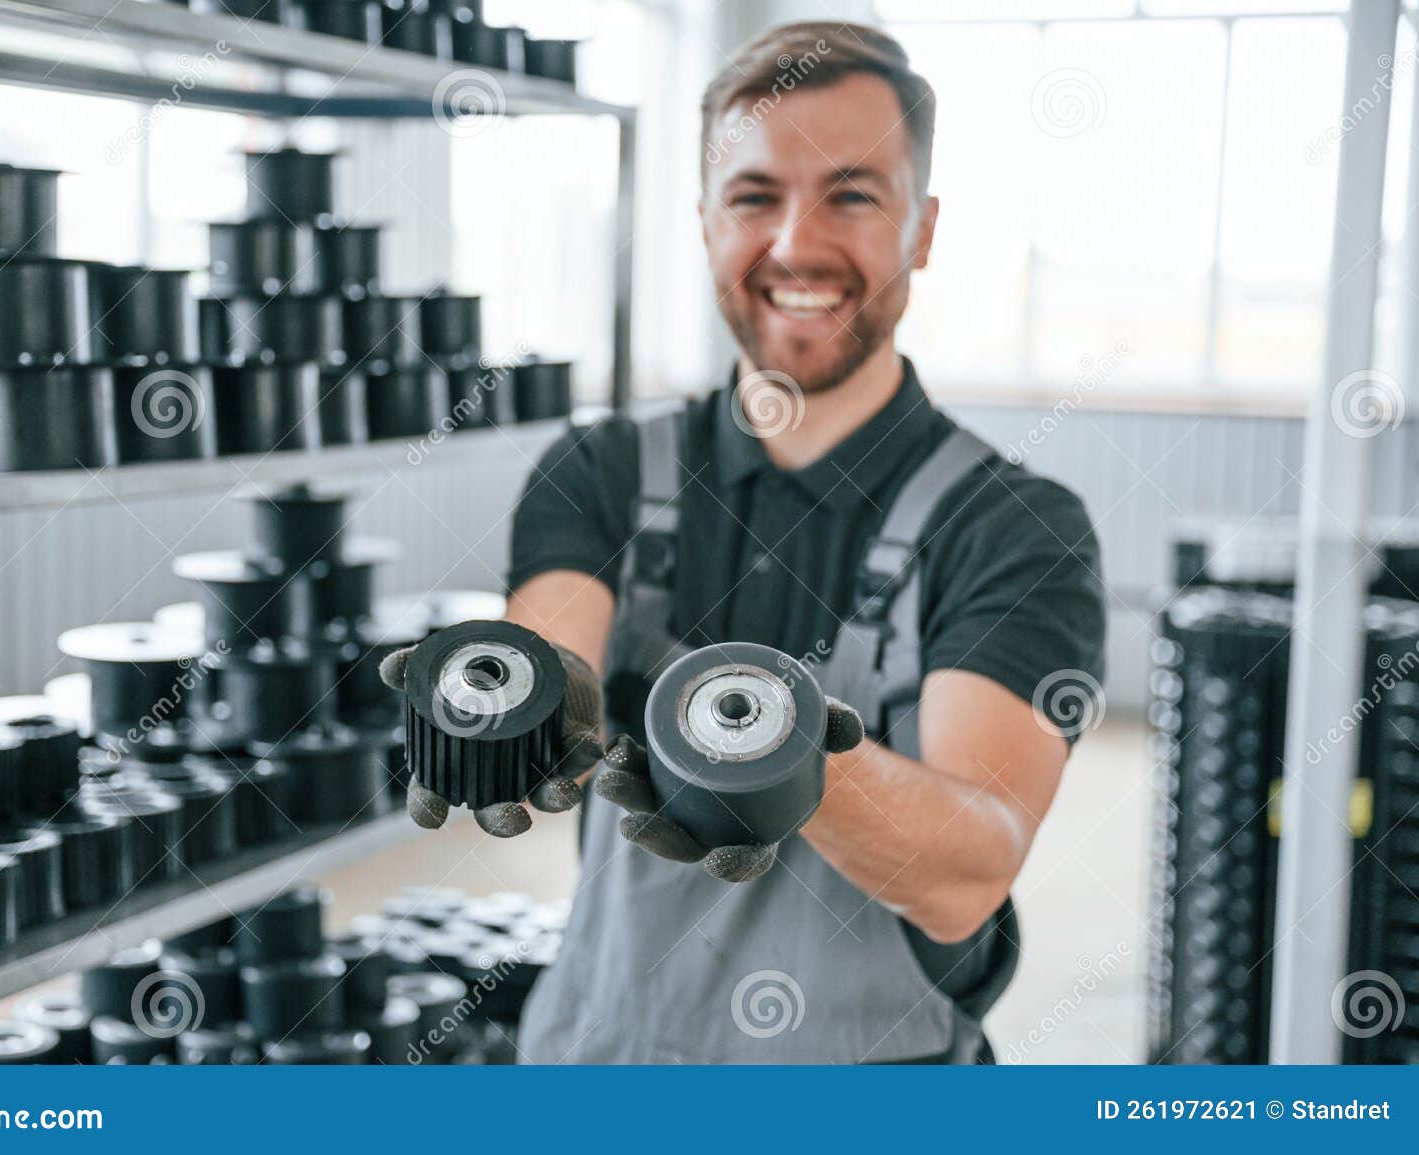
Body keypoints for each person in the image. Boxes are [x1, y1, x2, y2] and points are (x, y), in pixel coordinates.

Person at [386, 20, 1106, 1063]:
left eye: (852, 195)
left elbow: (966, 875)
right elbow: (553, 658)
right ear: (706, 221)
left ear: (924, 229)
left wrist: (776, 757)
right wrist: (515, 717)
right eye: (755, 196)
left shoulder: (1012, 527)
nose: (795, 245)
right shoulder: (599, 472)